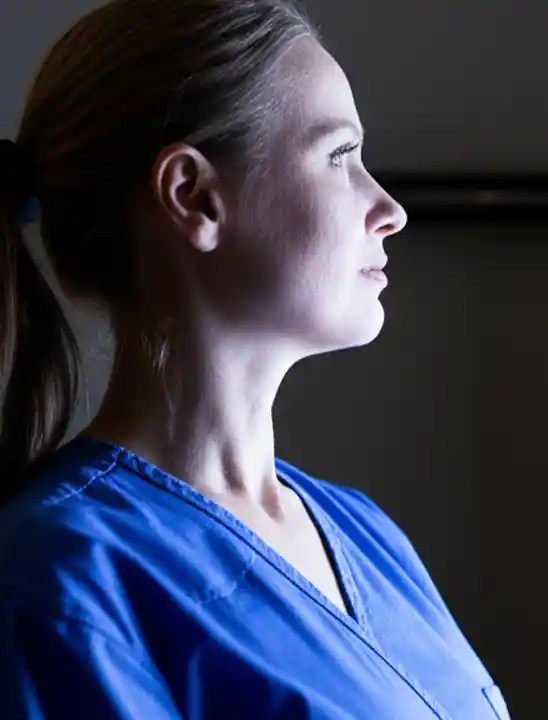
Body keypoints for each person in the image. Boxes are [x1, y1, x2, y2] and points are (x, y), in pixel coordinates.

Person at [0, 0, 510, 717]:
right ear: (194, 196)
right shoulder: (63, 577)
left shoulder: (366, 535)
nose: (390, 209)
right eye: (340, 156)